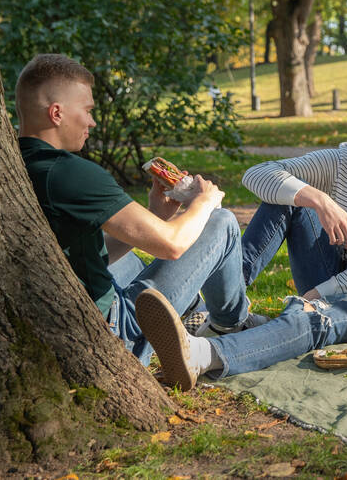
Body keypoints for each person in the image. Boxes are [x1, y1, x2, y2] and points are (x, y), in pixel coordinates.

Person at [136, 74, 347, 390]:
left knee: (317, 316)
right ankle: (226, 317)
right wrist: (318, 198)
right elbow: (258, 174)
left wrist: (320, 294)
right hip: (336, 270)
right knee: (290, 197)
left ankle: (206, 354)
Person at [16, 54, 262, 367]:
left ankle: (194, 318)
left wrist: (156, 215)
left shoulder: (18, 162)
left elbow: (81, 252)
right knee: (222, 222)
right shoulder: (71, 173)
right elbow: (171, 245)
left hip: (70, 313)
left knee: (129, 259)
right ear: (56, 113)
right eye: (88, 111)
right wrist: (204, 202)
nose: (92, 122)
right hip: (117, 332)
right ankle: (228, 325)